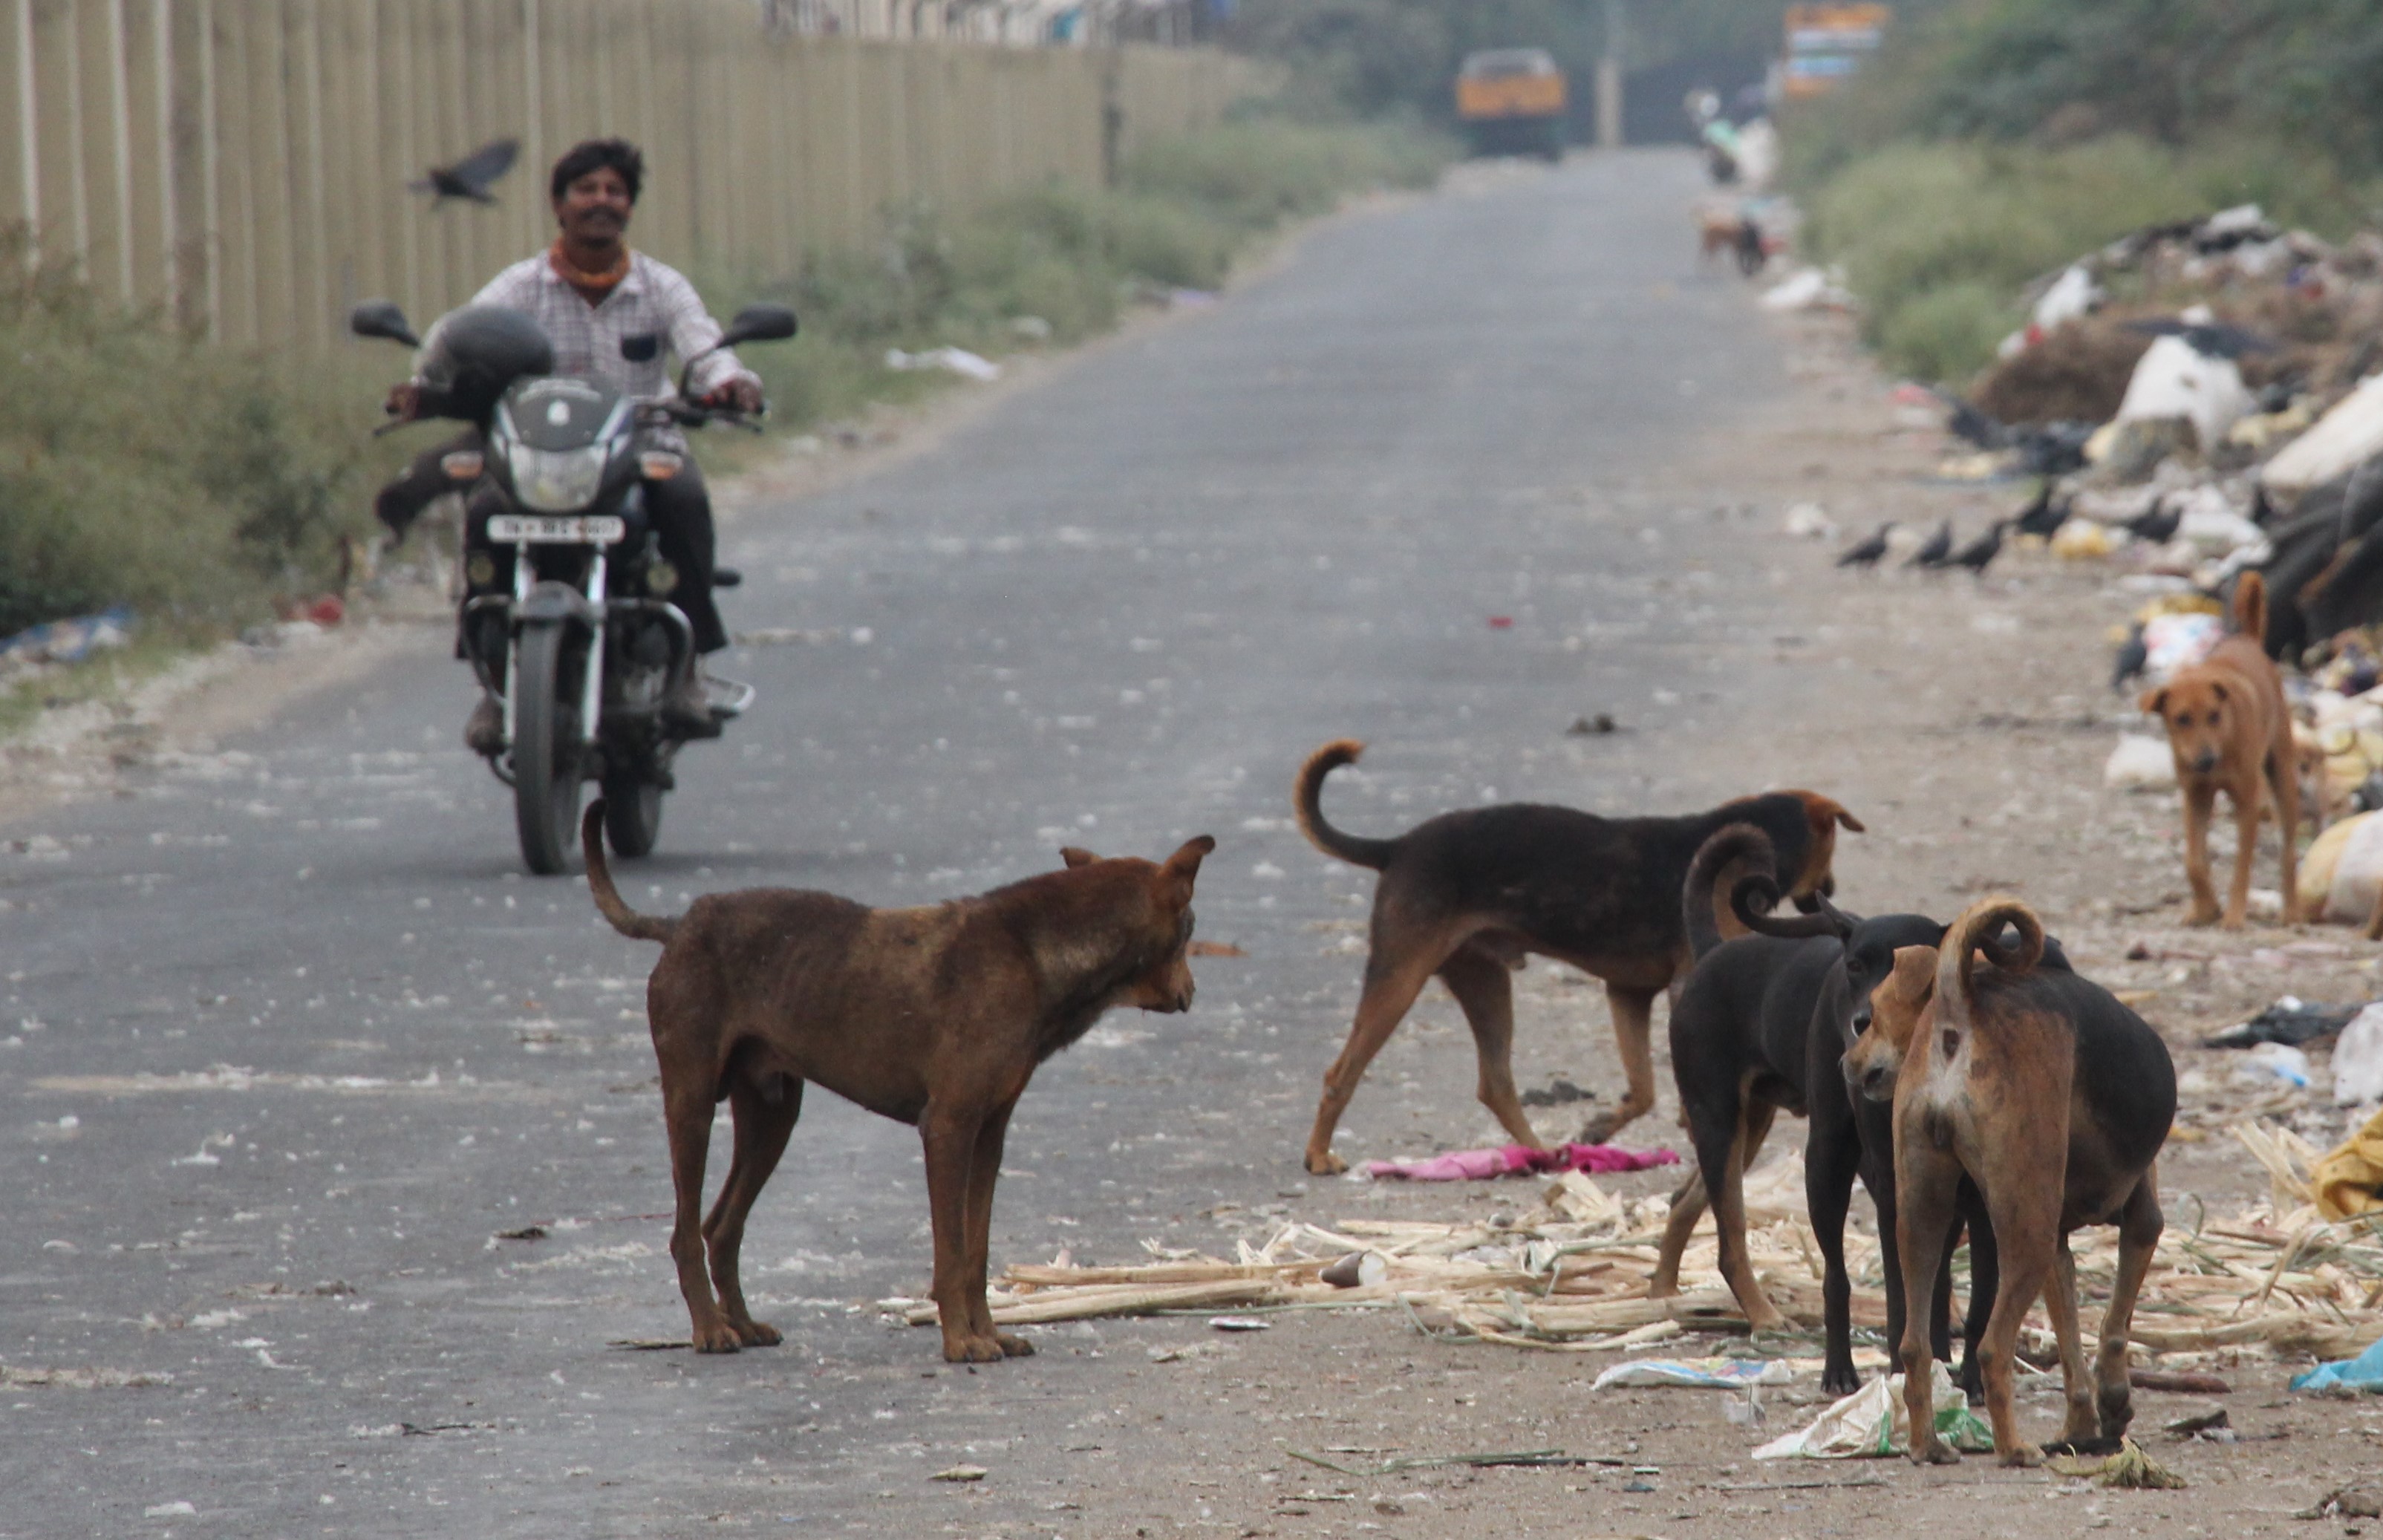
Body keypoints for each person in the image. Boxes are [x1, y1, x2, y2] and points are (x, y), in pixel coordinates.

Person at [376, 137, 762, 754]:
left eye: (614, 191)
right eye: (585, 190)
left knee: (685, 498)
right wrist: (422, 388)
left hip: (640, 440)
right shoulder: (519, 287)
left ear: (630, 206)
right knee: (484, 513)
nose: (600, 201)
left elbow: (706, 350)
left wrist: (731, 386)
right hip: (538, 448)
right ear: (559, 204)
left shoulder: (661, 287)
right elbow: (458, 342)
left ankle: (687, 668)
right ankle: (495, 682)